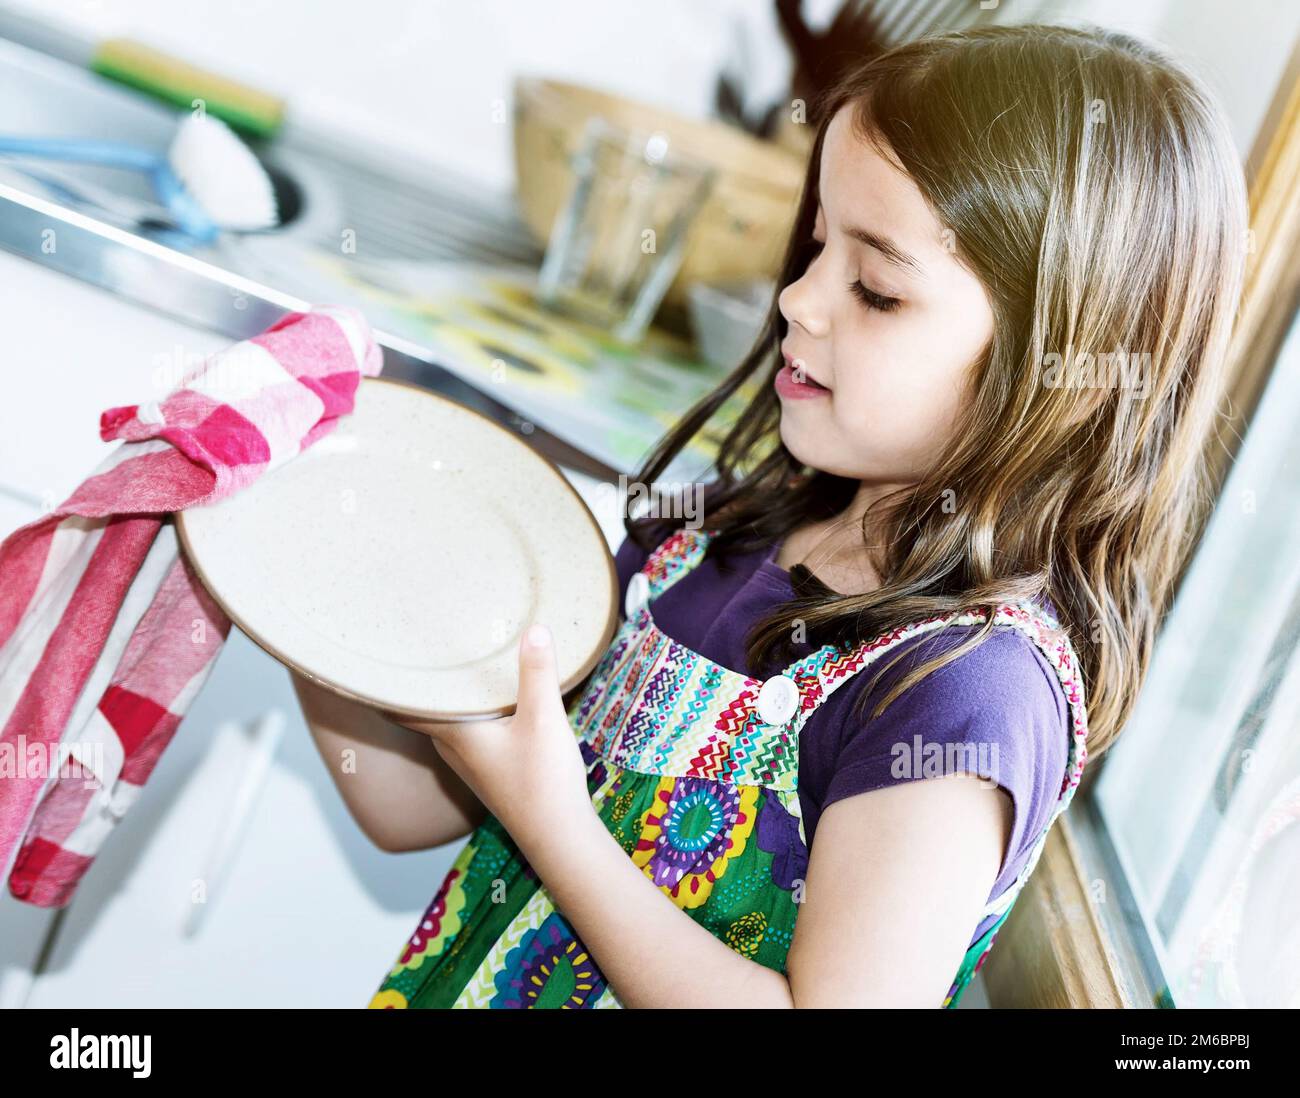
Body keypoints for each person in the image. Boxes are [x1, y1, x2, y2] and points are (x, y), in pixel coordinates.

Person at [294, 23, 1247, 1008]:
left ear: (1065, 375)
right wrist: (294, 556)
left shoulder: (962, 700)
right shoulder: (699, 545)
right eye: (818, 243)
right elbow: (407, 803)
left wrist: (553, 827)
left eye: (875, 289)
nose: (799, 297)